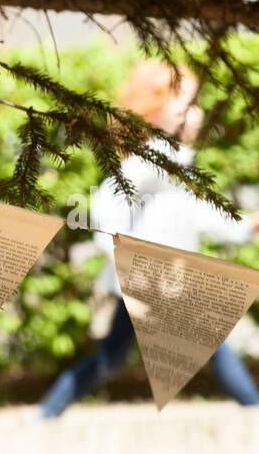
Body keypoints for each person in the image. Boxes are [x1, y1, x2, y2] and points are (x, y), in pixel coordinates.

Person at [39, 60, 259, 418]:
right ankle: (253, 410)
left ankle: (46, 412)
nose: (195, 113)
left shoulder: (176, 160)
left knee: (111, 358)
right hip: (149, 278)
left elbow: (198, 213)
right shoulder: (148, 160)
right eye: (184, 103)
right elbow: (107, 206)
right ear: (153, 109)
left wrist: (242, 227)